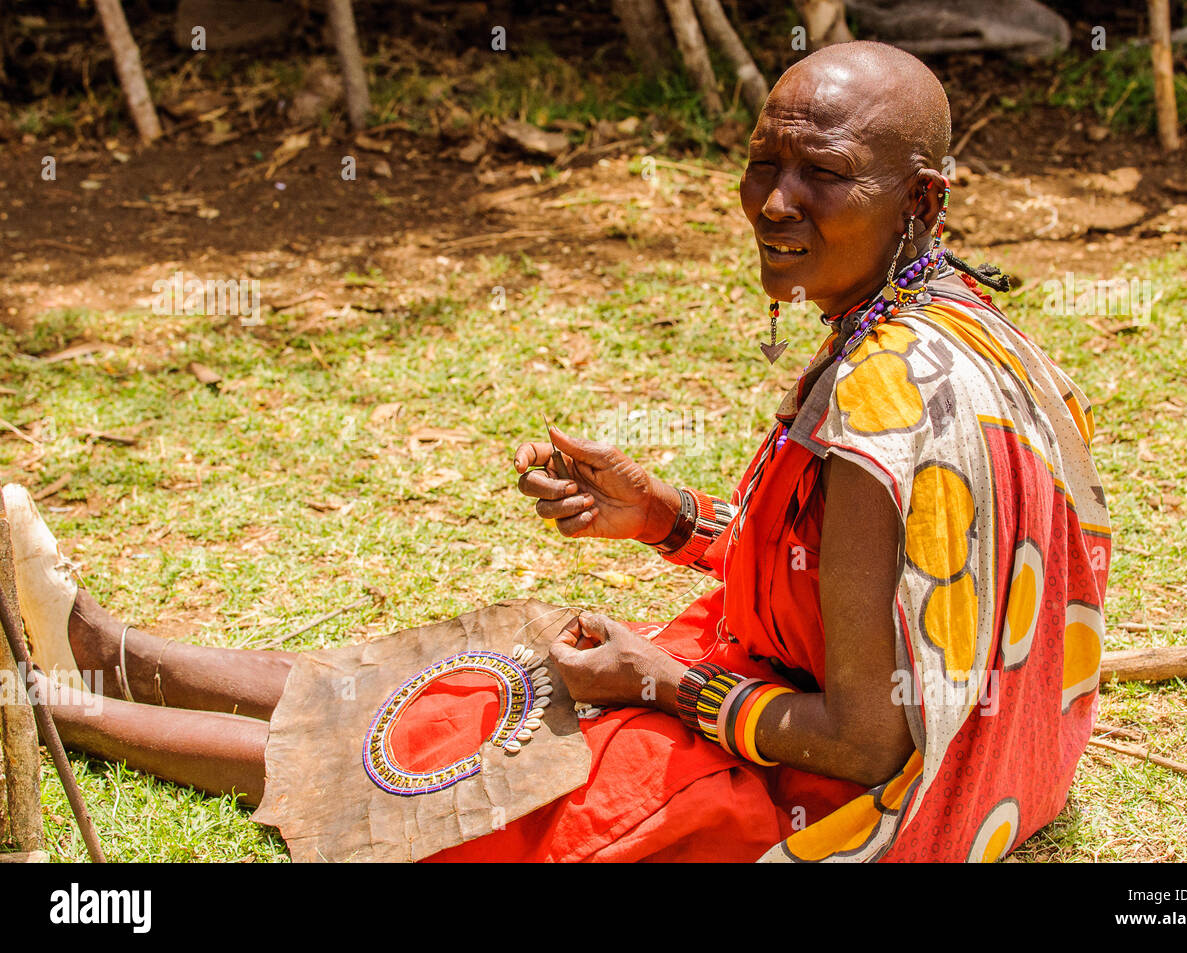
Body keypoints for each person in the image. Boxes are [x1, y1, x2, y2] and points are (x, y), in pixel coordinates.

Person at [5, 40, 1109, 863]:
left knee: (463, 760)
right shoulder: (961, 323)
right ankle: (110, 649)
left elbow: (864, 744)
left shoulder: (878, 401)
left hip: (867, 802)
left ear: (919, 198)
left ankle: (59, 710)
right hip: (1005, 750)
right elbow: (866, 588)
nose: (774, 201)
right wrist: (670, 518)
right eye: (763, 161)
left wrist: (661, 683)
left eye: (822, 174)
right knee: (490, 681)